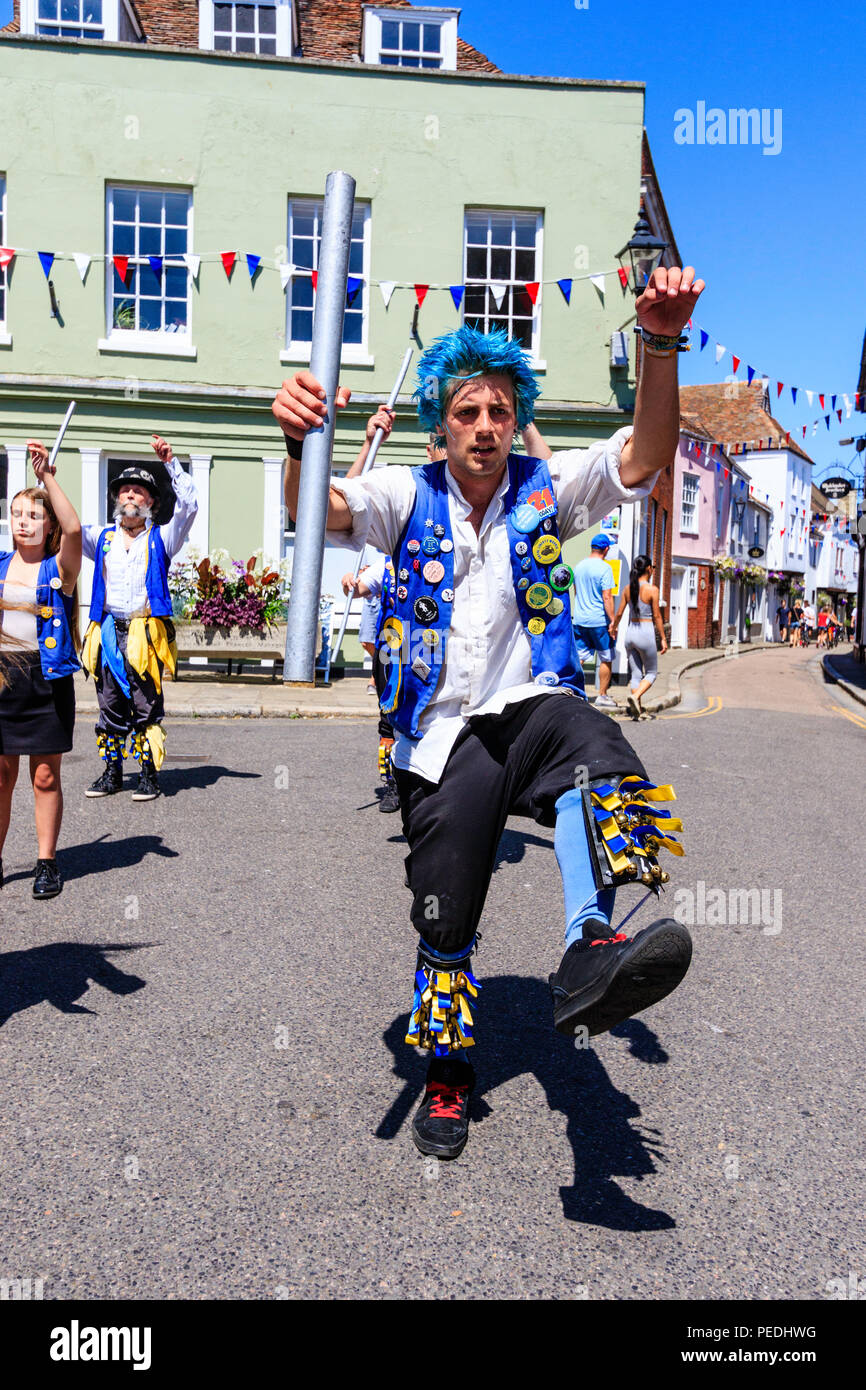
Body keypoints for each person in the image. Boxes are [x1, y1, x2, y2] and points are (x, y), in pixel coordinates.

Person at [275, 260, 702, 1162]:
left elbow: (645, 454)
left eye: (499, 411)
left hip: (531, 712)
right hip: (437, 742)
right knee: (447, 920)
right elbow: (326, 508)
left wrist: (659, 344)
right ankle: (448, 1071)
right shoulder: (407, 493)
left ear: (516, 420)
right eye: (466, 411)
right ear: (441, 423)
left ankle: (590, 943)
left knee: (599, 752)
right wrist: (296, 448)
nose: (483, 426)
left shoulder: (547, 491)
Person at [80, 437, 197, 801]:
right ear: (117, 500)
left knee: (146, 707)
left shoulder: (163, 537)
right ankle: (112, 773)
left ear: (151, 503)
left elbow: (190, 505)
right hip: (107, 632)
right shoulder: (100, 537)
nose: (130, 496)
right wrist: (46, 481)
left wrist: (171, 463)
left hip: (145, 634)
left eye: (139, 491)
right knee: (109, 705)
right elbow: (65, 529)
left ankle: (148, 775)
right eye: (125, 490)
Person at [0, 440, 82, 898]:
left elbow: (74, 530)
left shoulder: (58, 569)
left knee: (45, 776)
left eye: (34, 515)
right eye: (18, 514)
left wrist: (47, 476)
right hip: (2, 679)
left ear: (46, 523)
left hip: (45, 682)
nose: (24, 522)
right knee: (0, 775)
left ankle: (46, 862)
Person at [609, 554, 667, 719]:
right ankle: (635, 697)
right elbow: (657, 616)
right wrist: (663, 638)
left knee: (635, 674)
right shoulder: (652, 590)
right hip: (645, 631)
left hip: (630, 632)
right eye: (653, 568)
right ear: (649, 569)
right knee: (651, 673)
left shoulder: (628, 589)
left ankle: (637, 711)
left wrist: (613, 627)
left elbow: (619, 613)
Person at [570, 535, 618, 708]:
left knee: (579, 657)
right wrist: (613, 620)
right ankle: (602, 695)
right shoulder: (605, 568)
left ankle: (572, 690)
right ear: (606, 549)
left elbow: (576, 593)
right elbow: (607, 596)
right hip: (599, 621)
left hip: (580, 619)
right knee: (606, 657)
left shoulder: (579, 566)